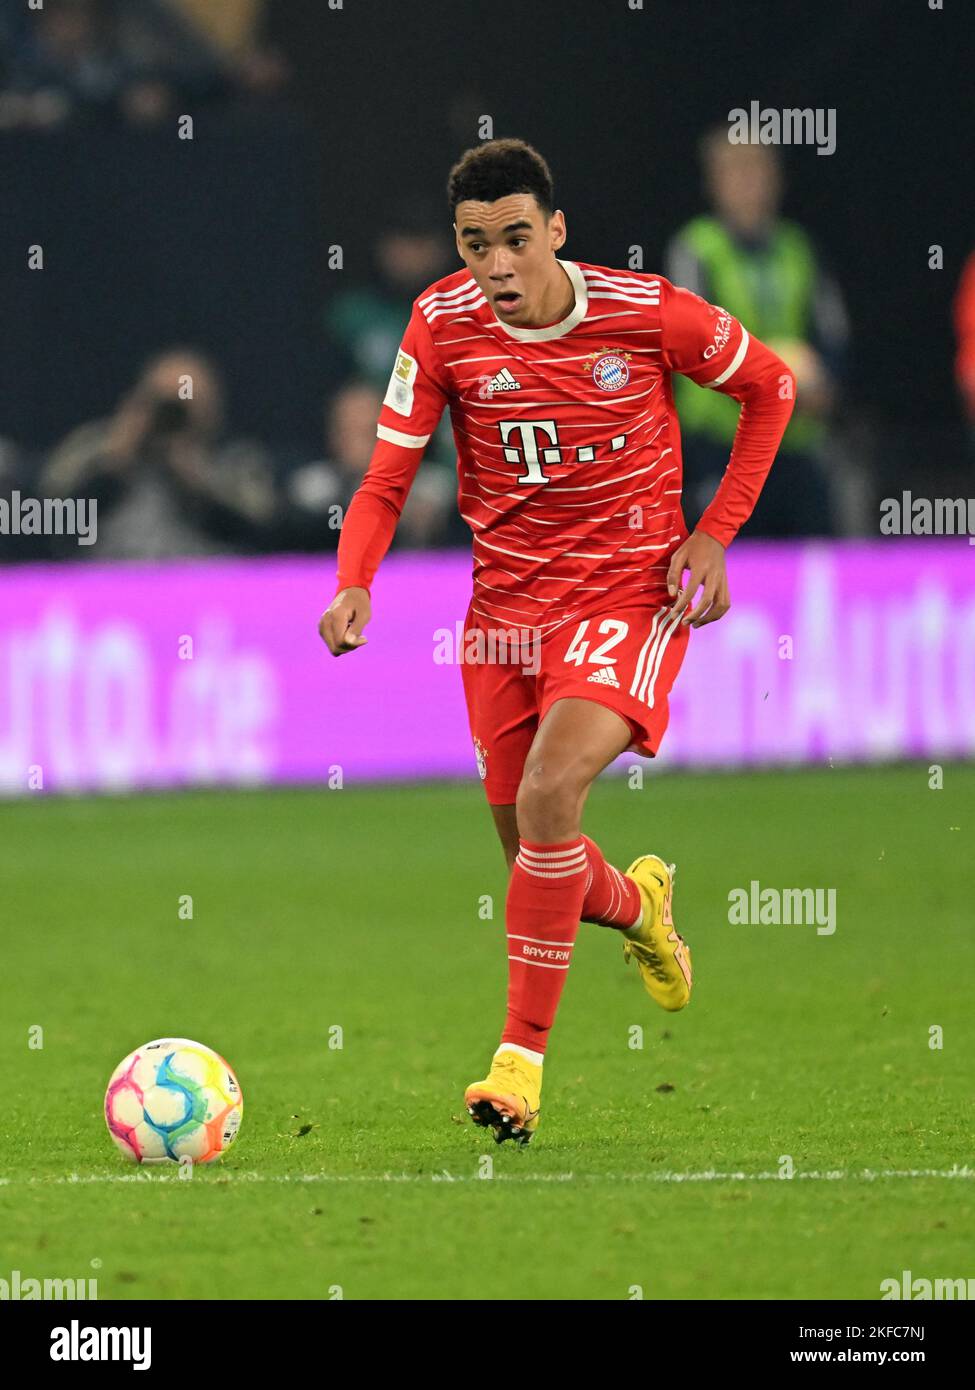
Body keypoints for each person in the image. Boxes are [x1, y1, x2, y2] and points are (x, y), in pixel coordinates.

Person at [318, 139, 795, 1144]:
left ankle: (517, 1068)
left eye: (516, 240)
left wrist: (714, 533)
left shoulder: (648, 311)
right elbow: (386, 477)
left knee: (547, 798)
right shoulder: (441, 325)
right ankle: (640, 905)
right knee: (540, 855)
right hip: (503, 623)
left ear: (557, 232)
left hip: (629, 595)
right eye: (475, 243)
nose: (496, 265)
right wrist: (353, 580)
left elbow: (771, 389)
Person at [666, 129, 848, 536]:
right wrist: (769, 374)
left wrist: (825, 384)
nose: (748, 184)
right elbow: (695, 341)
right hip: (720, 445)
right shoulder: (697, 249)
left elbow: (831, 334)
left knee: (820, 537)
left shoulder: (798, 248)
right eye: (735, 172)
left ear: (776, 179)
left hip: (792, 440)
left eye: (757, 171)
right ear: (714, 183)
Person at [42, 348, 276, 558]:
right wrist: (112, 468)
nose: (170, 415)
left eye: (186, 399)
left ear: (212, 406)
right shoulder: (94, 448)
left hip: (207, 593)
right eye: (164, 401)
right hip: (106, 591)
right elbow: (51, 524)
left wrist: (199, 484)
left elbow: (262, 533)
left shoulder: (236, 460)